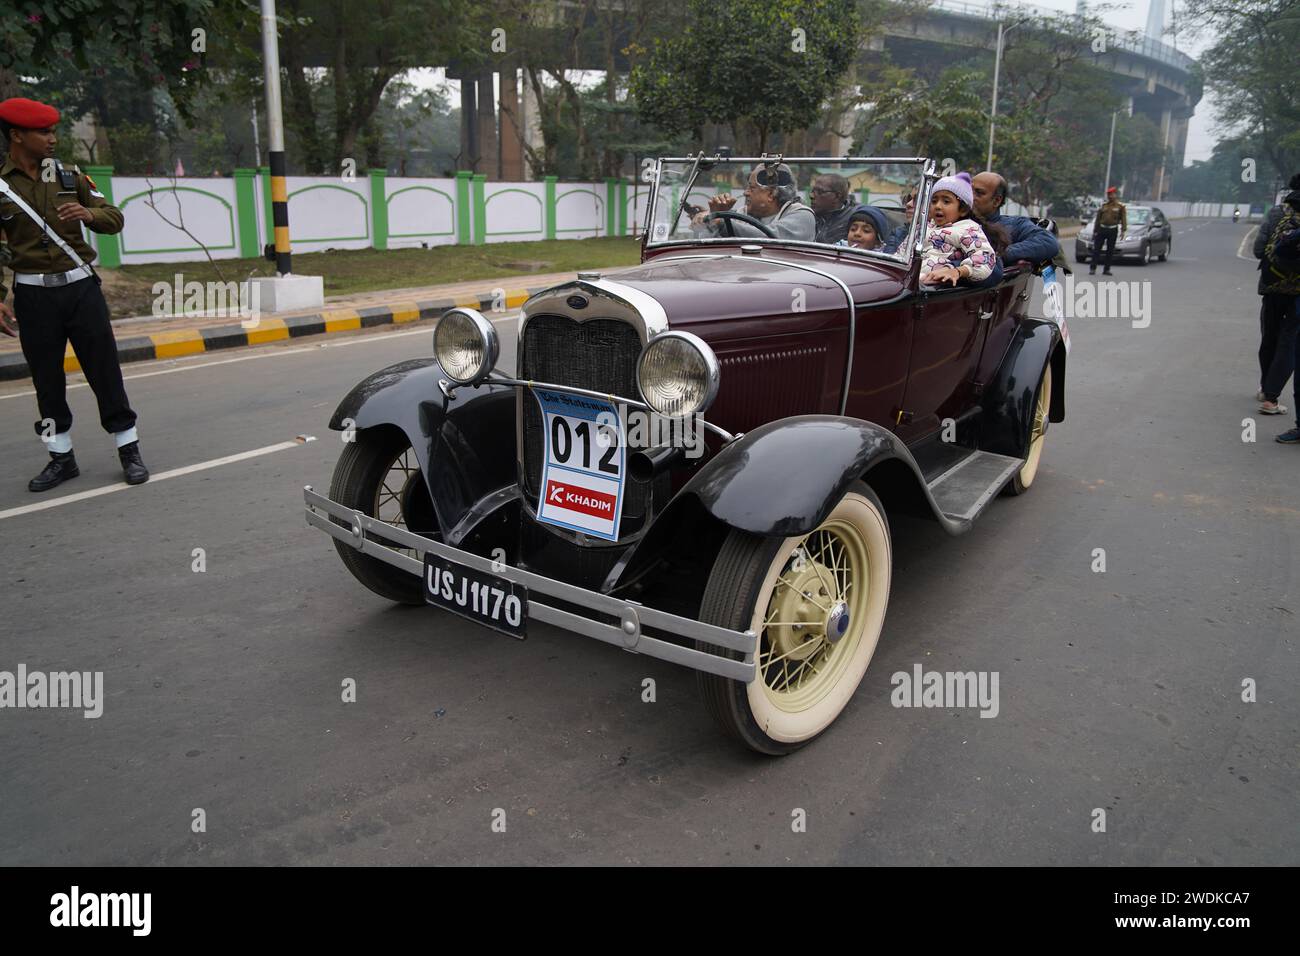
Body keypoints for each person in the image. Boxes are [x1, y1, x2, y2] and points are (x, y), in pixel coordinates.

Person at [0, 97, 149, 491]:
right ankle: (60, 458)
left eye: (53, 131)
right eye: (43, 132)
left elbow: (114, 218)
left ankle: (128, 449)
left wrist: (90, 215)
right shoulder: (1, 185)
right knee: (46, 381)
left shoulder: (70, 176)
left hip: (81, 289)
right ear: (17, 136)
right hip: (34, 298)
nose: (52, 138)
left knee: (105, 372)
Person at [1254, 172, 1300, 408]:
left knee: (1269, 337)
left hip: (1273, 285)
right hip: (1298, 292)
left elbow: (1259, 250)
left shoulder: (1276, 213)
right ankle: (1272, 397)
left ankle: (1264, 388)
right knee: (1289, 341)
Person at [691, 162, 815, 242]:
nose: (746, 193)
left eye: (751, 188)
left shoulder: (802, 215)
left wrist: (721, 222)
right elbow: (708, 249)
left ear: (771, 194)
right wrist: (708, 221)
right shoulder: (740, 215)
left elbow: (770, 237)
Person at [919, 172, 1005, 287]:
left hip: (933, 288)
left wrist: (957, 271)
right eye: (934, 201)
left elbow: (985, 258)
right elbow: (902, 253)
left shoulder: (968, 229)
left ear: (963, 209)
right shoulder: (924, 227)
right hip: (908, 280)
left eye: (946, 201)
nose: (938, 206)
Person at [970, 171, 1060, 266]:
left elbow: (1048, 242)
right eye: (968, 190)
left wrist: (997, 255)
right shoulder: (955, 221)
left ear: (996, 201)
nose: (971, 196)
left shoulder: (1014, 225)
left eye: (979, 193)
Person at [810, 173, 856, 244]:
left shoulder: (854, 220)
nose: (812, 196)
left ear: (837, 196)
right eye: (813, 191)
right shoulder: (807, 216)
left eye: (820, 192)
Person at [1092, 186, 1126, 275]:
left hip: (1112, 230)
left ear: (1115, 195)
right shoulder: (1103, 206)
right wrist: (1095, 231)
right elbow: (1098, 219)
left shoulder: (1120, 207)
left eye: (1111, 194)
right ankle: (1093, 268)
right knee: (1097, 249)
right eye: (1109, 194)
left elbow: (1123, 219)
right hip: (1102, 229)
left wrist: (1123, 230)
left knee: (1110, 251)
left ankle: (1106, 269)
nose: (1110, 196)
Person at [882, 189, 915, 254]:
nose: (908, 204)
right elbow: (888, 261)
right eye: (909, 199)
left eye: (918, 200)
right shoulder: (897, 234)